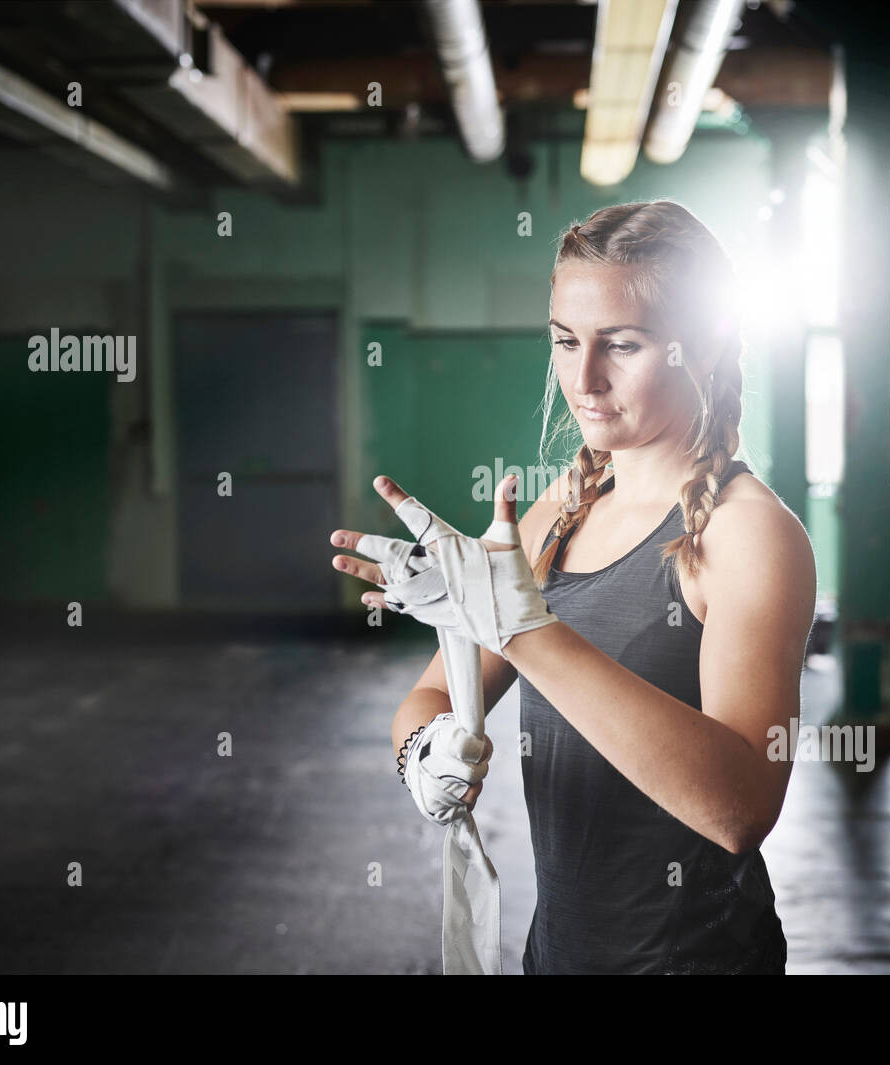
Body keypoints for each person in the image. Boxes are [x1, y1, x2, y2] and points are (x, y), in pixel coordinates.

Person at [330, 200, 816, 974]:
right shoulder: (563, 508)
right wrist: (426, 756)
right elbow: (428, 700)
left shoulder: (747, 532)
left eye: (622, 344)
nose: (584, 377)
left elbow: (741, 807)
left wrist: (529, 632)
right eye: (565, 340)